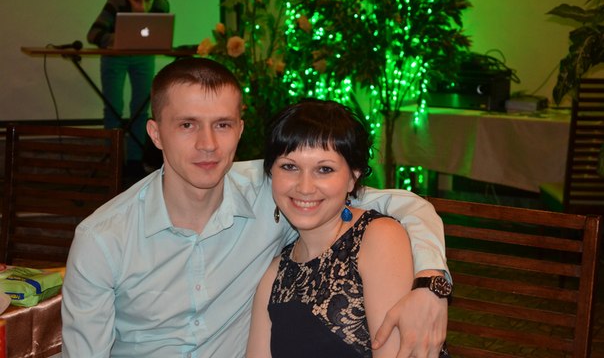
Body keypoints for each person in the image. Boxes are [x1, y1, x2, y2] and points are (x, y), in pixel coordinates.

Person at [61, 57, 451, 358]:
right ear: (155, 133)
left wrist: (431, 282)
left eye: (222, 125)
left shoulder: (280, 190)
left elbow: (406, 206)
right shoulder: (103, 239)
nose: (208, 144)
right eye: (187, 125)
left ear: (240, 130)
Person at [247, 99, 448, 358]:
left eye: (324, 169)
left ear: (353, 177)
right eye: (289, 166)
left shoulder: (377, 238)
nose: (305, 187)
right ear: (271, 174)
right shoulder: (274, 274)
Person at [87, 0, 170, 178]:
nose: (143, 6)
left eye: (148, 0)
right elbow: (93, 34)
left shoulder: (161, 4)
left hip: (143, 57)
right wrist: (115, 39)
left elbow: (159, 33)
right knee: (113, 109)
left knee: (141, 110)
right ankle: (113, 161)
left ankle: (134, 162)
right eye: (137, 1)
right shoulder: (116, 2)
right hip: (115, 58)